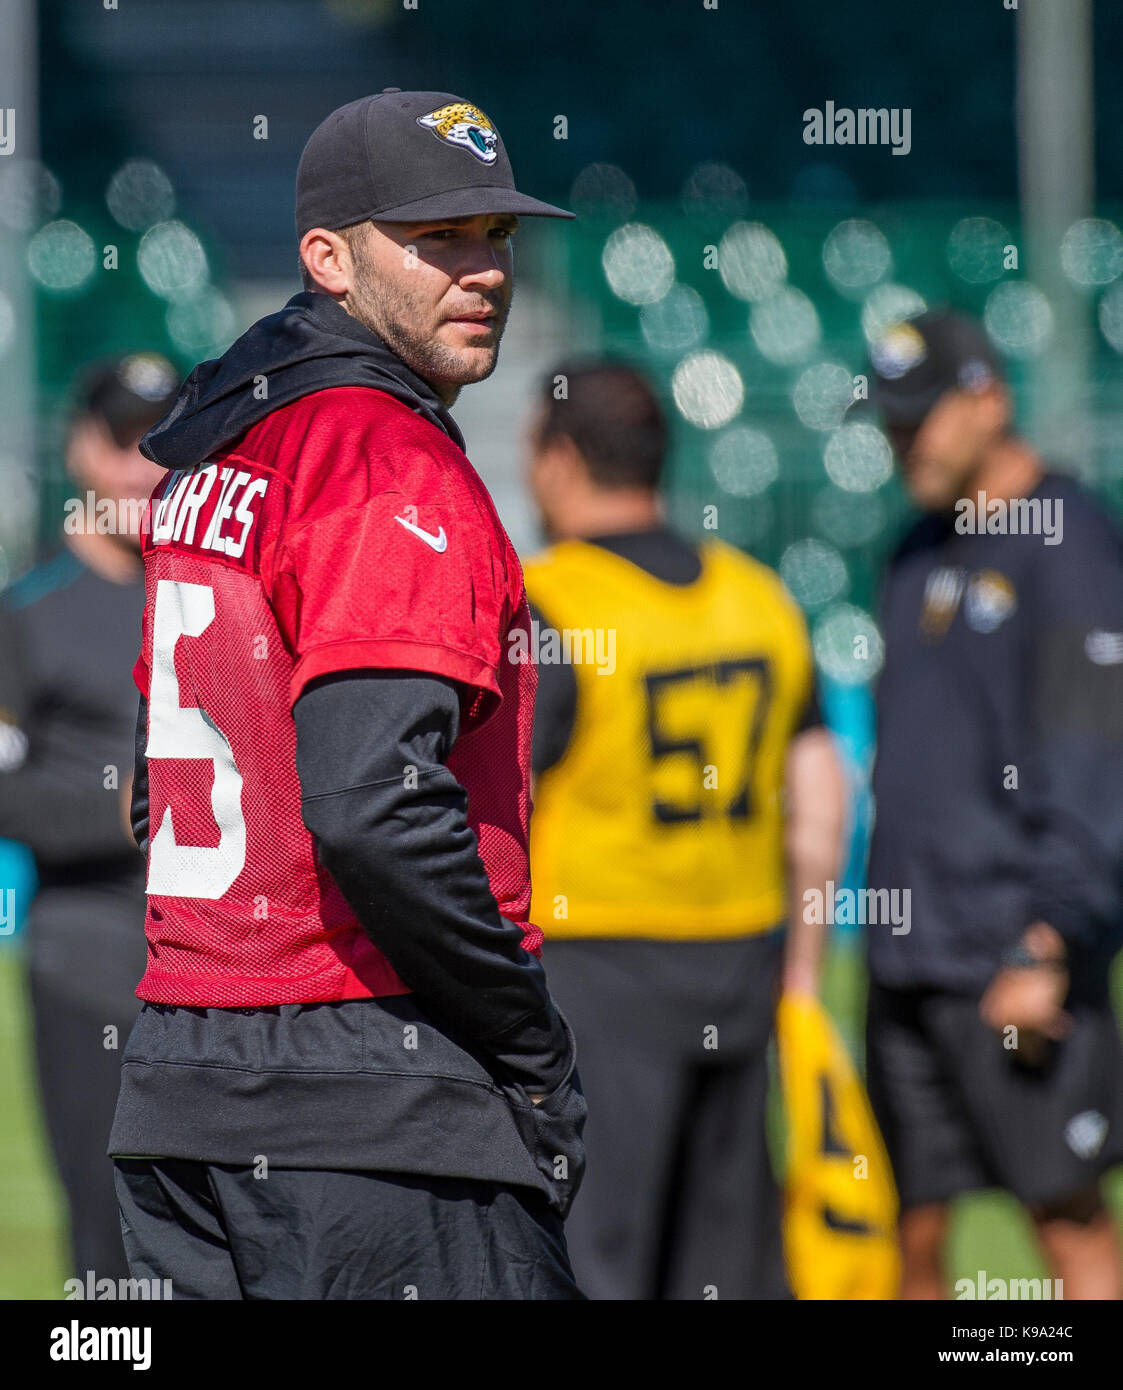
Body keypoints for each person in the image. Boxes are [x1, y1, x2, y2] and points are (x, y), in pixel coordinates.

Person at [108, 89, 587, 1301]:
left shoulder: (216, 441)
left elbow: (146, 792)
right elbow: (373, 800)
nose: (481, 272)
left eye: (497, 238)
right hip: (362, 1073)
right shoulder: (382, 454)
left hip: (181, 1079)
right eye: (438, 239)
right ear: (326, 257)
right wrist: (528, 1043)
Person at [522, 359, 848, 1299]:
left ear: (561, 458)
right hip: (742, 962)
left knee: (595, 1258)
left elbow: (486, 810)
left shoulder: (548, 604)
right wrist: (801, 972)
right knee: (729, 1265)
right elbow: (820, 792)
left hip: (598, 969)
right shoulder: (759, 596)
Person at [864, 308, 1123, 1300]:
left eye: (921, 417)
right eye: (890, 422)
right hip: (906, 957)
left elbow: (1095, 759)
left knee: (1065, 1221)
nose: (902, 441)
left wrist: (1047, 940)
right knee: (916, 1236)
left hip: (1014, 957)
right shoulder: (915, 552)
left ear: (990, 398)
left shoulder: (1072, 548)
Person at [0, 352, 180, 1284]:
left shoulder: (216, 598)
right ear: (79, 448)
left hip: (219, 978)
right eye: (120, 443)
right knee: (106, 1256)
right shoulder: (26, 614)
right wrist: (119, 808)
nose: (140, 469)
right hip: (88, 967)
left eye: (161, 445)